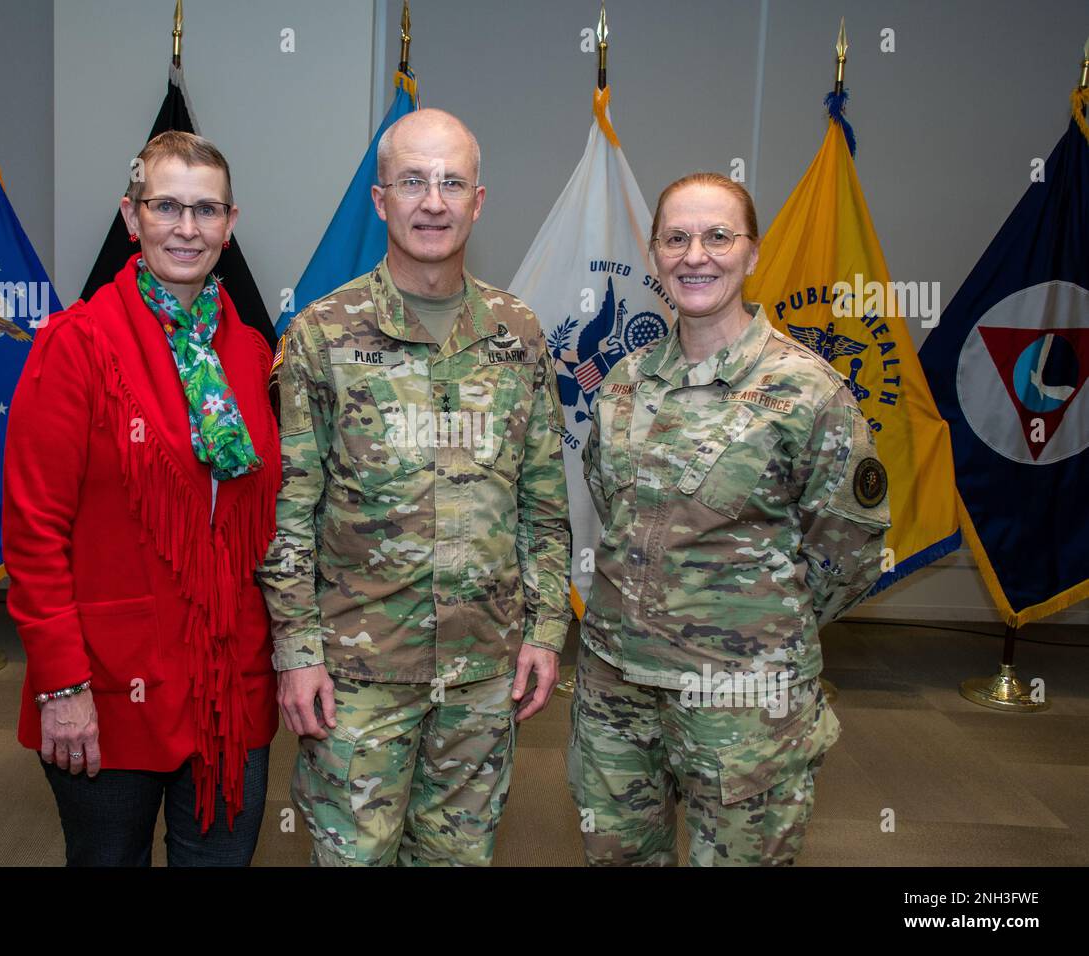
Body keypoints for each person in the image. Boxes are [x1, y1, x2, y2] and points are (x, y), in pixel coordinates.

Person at [258, 108, 572, 866]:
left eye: (451, 182)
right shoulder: (321, 336)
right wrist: (296, 652)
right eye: (413, 181)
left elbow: (544, 504)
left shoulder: (518, 333)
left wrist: (546, 628)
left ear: (478, 200)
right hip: (359, 673)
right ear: (380, 200)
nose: (433, 201)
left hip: (482, 672)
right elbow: (289, 511)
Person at [568, 172, 890, 866]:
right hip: (617, 692)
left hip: (744, 703)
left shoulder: (808, 390)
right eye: (676, 238)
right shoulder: (623, 384)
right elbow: (615, 508)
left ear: (751, 253)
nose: (696, 255)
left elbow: (849, 551)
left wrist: (756, 629)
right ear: (654, 254)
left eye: (719, 237)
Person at [2, 130, 281, 866]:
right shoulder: (75, 345)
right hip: (108, 687)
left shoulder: (251, 354)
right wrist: (61, 685)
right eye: (166, 206)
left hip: (228, 691)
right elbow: (33, 533)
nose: (187, 229)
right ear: (132, 217)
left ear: (231, 222)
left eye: (206, 210)